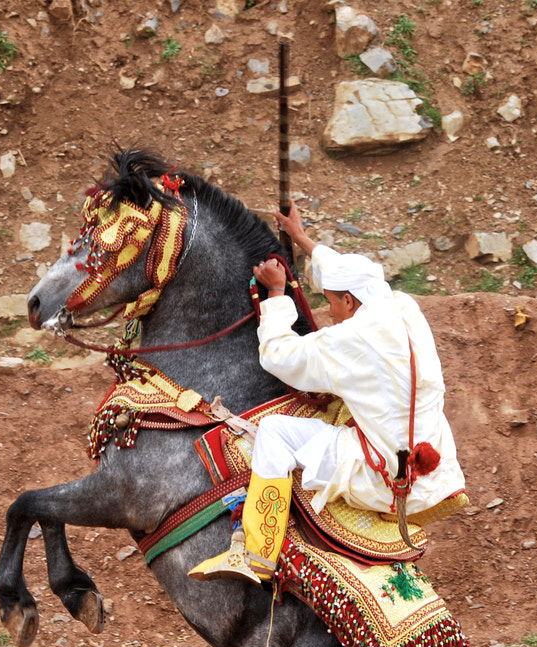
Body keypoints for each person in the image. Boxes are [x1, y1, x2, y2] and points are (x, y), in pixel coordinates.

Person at [189, 200, 465, 585]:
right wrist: (302, 239)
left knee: (273, 432)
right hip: (433, 467)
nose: (329, 313)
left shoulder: (351, 339)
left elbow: (278, 356)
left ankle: (256, 556)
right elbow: (358, 277)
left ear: (350, 301)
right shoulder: (402, 307)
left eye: (332, 303)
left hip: (383, 476)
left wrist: (277, 294)